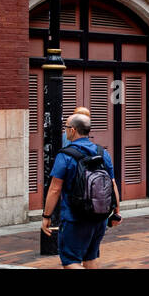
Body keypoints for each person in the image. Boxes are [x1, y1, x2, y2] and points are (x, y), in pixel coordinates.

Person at [42, 113, 122, 268]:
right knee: (90, 258)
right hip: (100, 218)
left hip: (75, 218)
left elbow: (54, 189)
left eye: (66, 127)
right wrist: (116, 212)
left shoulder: (65, 155)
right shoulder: (102, 153)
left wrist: (46, 216)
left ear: (72, 130)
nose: (65, 131)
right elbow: (112, 184)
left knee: (70, 261)